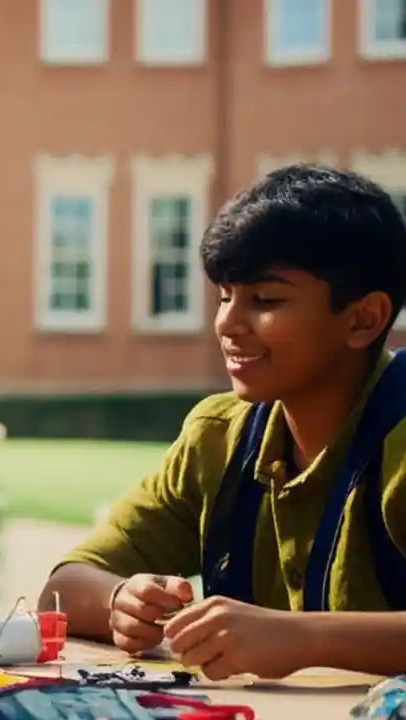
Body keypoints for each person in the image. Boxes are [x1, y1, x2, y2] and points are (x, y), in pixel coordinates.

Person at [39, 164, 406, 679]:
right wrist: (120, 601)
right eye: (225, 296)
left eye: (266, 301)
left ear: (364, 319)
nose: (228, 324)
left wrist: (302, 638)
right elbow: (63, 587)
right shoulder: (218, 436)